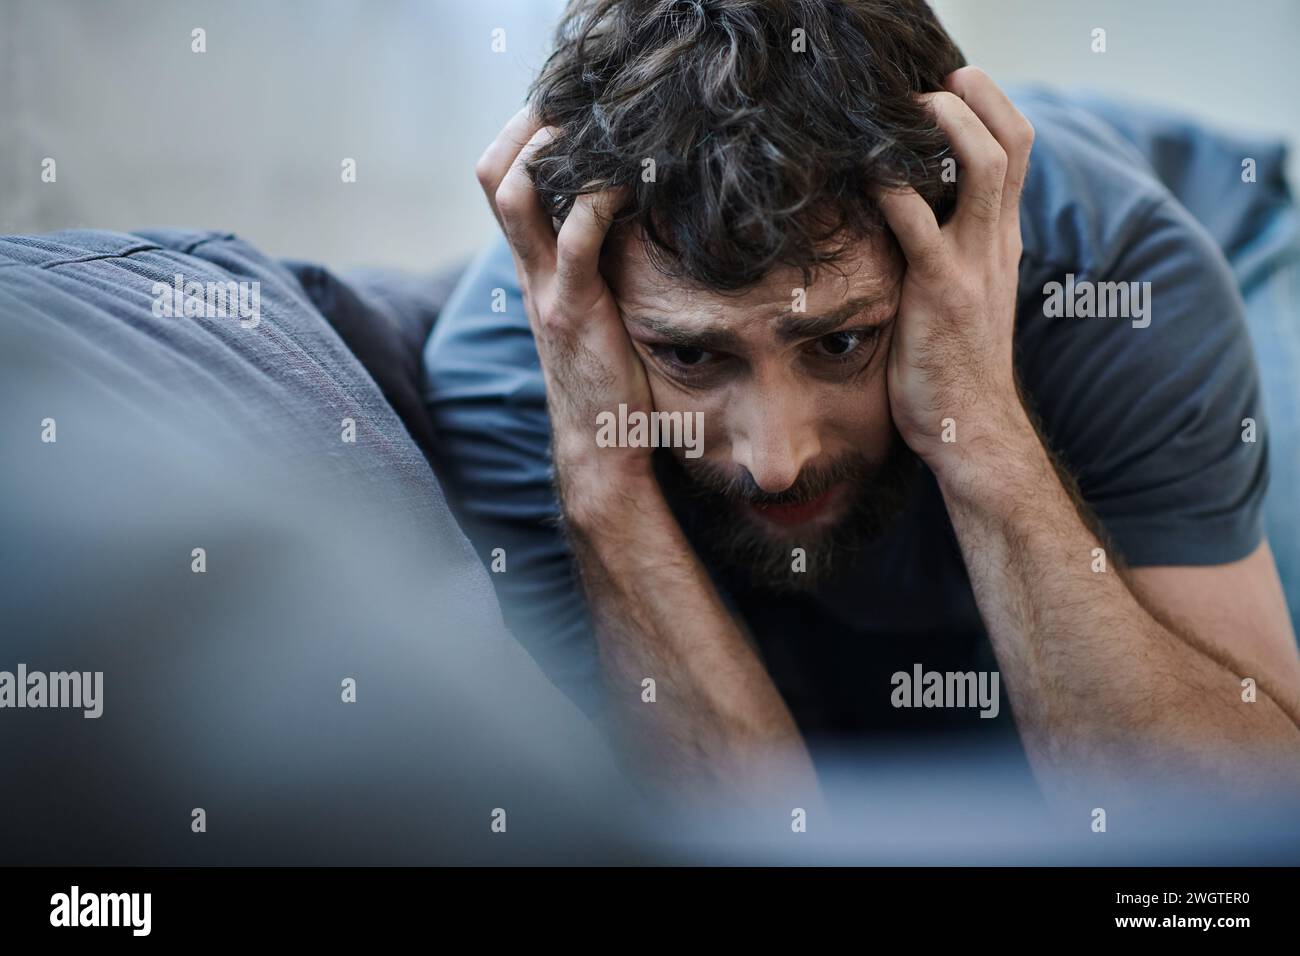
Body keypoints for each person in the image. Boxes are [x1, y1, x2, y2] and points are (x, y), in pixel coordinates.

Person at [423, 0, 1300, 807]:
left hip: (1224, 240)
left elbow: (1233, 840)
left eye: (841, 341)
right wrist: (600, 474)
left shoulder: (1117, 285)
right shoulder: (505, 375)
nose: (777, 458)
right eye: (690, 353)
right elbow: (762, 835)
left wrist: (980, 424)